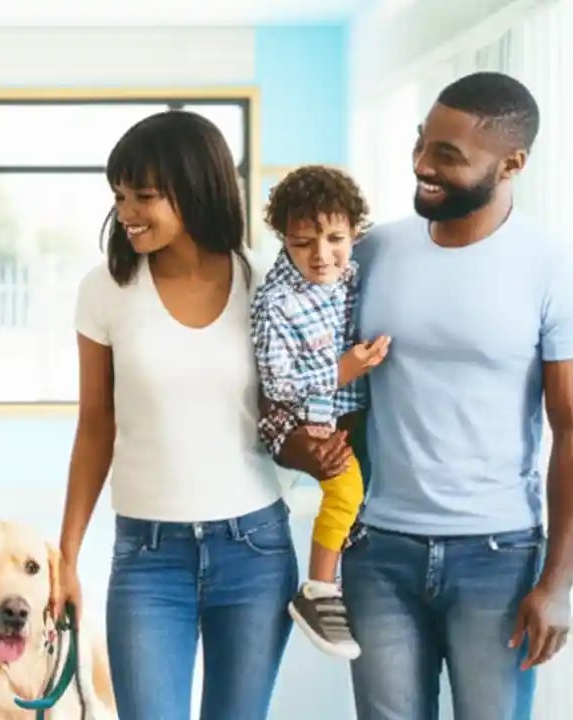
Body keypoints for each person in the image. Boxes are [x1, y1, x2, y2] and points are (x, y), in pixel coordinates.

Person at [279, 72, 573, 719]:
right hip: (378, 551)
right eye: (422, 144)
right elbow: (313, 373)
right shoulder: (371, 253)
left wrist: (559, 583)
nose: (423, 166)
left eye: (448, 156)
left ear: (513, 163)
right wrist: (298, 444)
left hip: (497, 558)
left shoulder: (556, 269)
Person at [54, 110, 344, 720]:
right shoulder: (105, 289)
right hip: (147, 556)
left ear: (195, 188)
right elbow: (94, 428)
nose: (126, 211)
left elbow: (285, 410)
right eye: (120, 195)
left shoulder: (263, 283)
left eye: (145, 196)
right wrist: (67, 556)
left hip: (254, 550)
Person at [250, 165, 390, 660]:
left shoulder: (351, 277)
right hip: (299, 419)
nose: (321, 255)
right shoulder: (277, 303)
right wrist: (343, 370)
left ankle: (347, 572)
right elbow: (279, 385)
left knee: (365, 490)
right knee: (346, 488)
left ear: (355, 232)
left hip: (347, 413)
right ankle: (318, 591)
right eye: (303, 243)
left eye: (335, 238)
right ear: (284, 240)